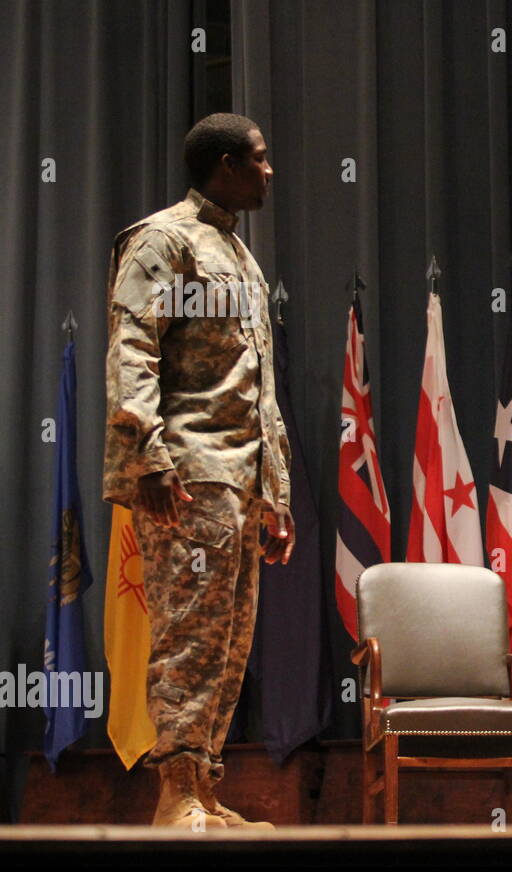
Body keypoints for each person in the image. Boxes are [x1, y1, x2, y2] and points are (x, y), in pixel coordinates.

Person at [103, 113, 294, 829]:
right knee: (188, 633)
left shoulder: (239, 255)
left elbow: (257, 386)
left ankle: (205, 790)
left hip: (240, 477)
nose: (270, 172)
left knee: (226, 641)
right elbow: (133, 347)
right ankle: (174, 793)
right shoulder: (165, 239)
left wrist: (276, 495)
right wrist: (147, 451)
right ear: (224, 164)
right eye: (260, 159)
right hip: (187, 470)